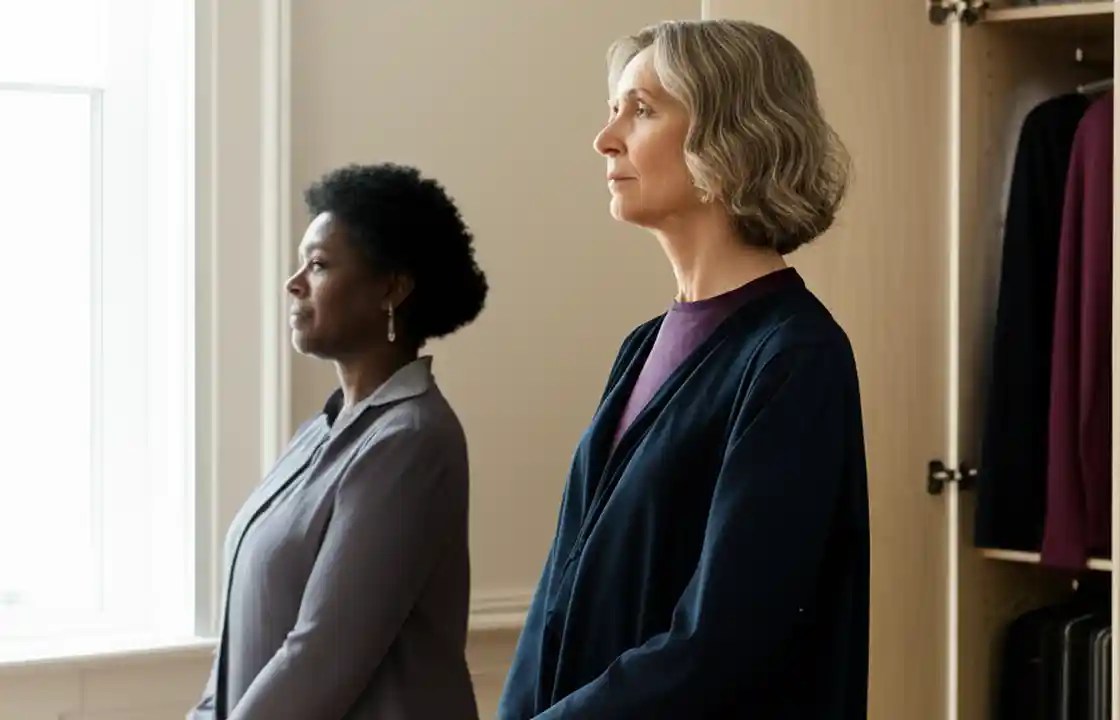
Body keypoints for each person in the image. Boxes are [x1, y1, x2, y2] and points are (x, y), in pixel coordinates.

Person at [497, 19, 870, 719]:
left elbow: (727, 636)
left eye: (642, 110)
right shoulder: (642, 346)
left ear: (733, 139)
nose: (606, 139)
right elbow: (558, 590)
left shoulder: (796, 357)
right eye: (614, 110)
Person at [190, 163, 488, 720]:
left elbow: (321, 654)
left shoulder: (412, 441)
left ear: (391, 289)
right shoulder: (318, 433)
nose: (294, 281)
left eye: (320, 264)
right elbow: (241, 642)